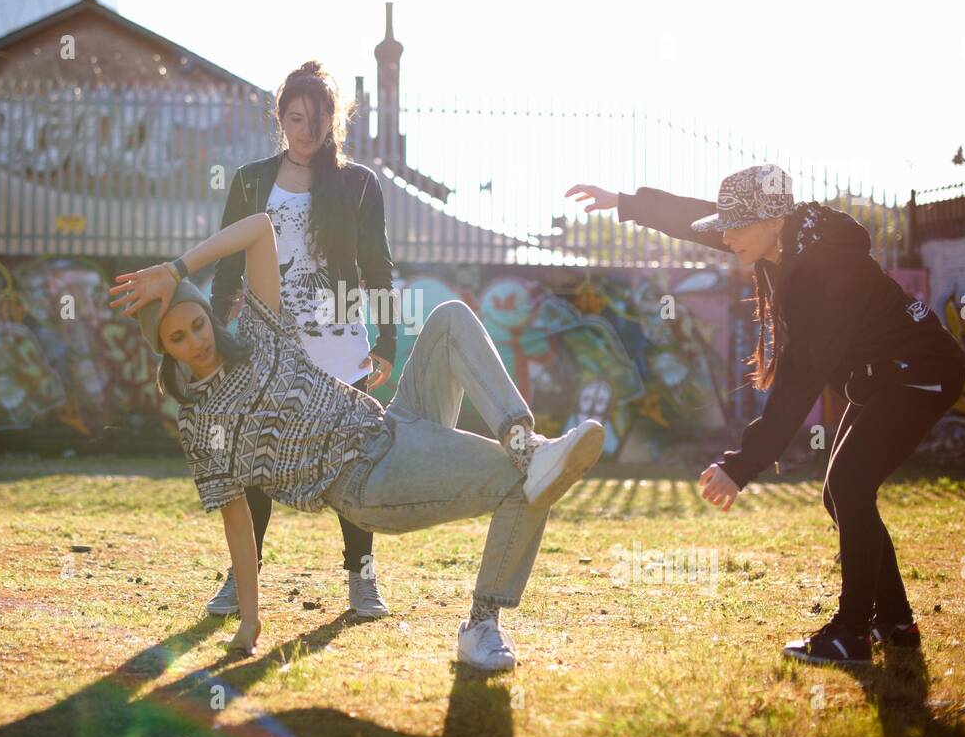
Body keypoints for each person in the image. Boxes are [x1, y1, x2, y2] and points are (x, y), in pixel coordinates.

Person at [109, 211, 605, 670]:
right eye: (179, 338)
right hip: (365, 482)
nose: (197, 340)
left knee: (452, 318)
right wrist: (250, 619)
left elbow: (260, 228)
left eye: (199, 324)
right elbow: (237, 523)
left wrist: (177, 269)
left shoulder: (260, 335)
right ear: (165, 352)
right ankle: (482, 624)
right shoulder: (201, 424)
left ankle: (524, 443)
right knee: (526, 482)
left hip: (392, 425)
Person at [565, 165, 965, 667]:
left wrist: (741, 465)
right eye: (726, 224)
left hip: (918, 373)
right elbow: (696, 216)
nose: (725, 233)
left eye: (736, 224)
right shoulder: (778, 239)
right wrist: (625, 203)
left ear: (772, 220)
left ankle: (852, 634)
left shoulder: (823, 270)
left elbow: (799, 383)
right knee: (842, 492)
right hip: (882, 374)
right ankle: (896, 622)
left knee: (849, 487)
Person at [206, 61, 397, 619]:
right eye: (295, 118)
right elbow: (225, 266)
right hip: (265, 343)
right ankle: (243, 579)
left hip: (340, 346)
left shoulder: (358, 184)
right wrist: (218, 338)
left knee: (352, 463)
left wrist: (386, 341)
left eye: (317, 119)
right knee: (254, 465)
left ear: (333, 120)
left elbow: (378, 268)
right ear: (281, 118)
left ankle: (362, 581)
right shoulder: (249, 181)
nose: (306, 130)